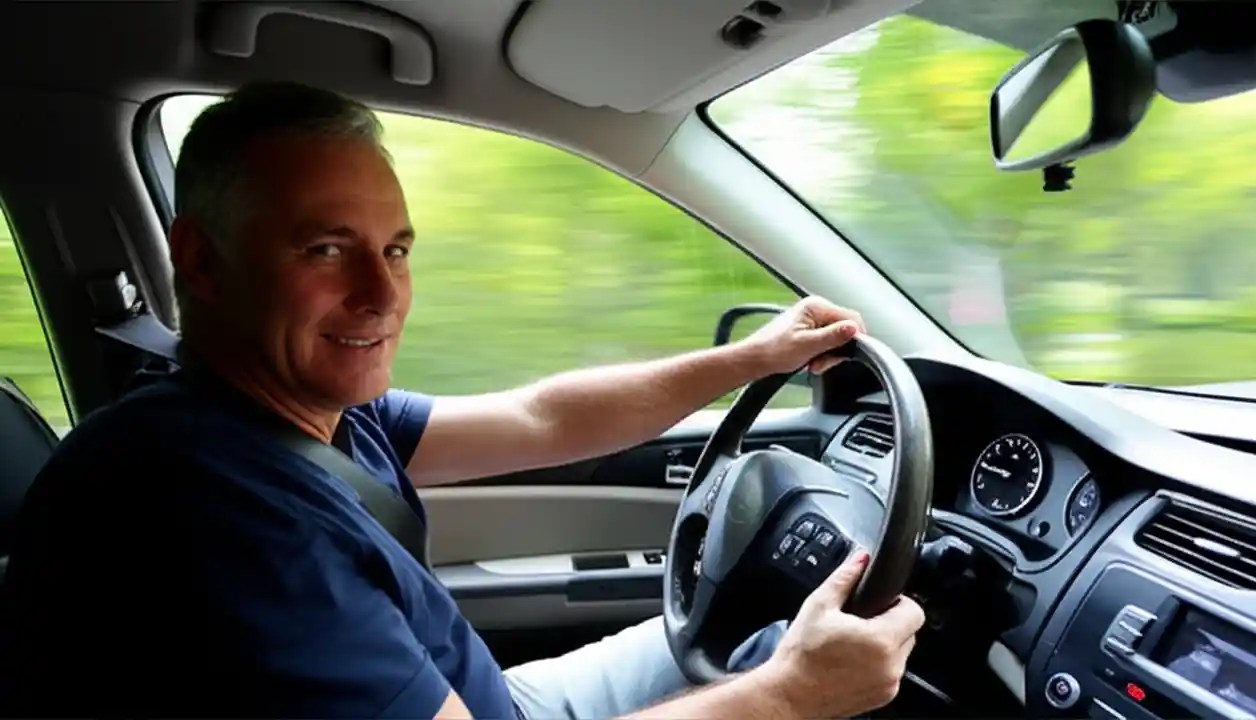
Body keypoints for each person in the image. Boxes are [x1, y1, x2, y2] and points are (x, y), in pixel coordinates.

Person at [0, 82, 924, 719]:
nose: (382, 293)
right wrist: (793, 696)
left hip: (486, 697)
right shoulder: (221, 526)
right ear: (200, 261)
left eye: (395, 249)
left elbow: (543, 420)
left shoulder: (291, 405)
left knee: (754, 637)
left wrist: (753, 357)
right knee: (785, 665)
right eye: (326, 249)